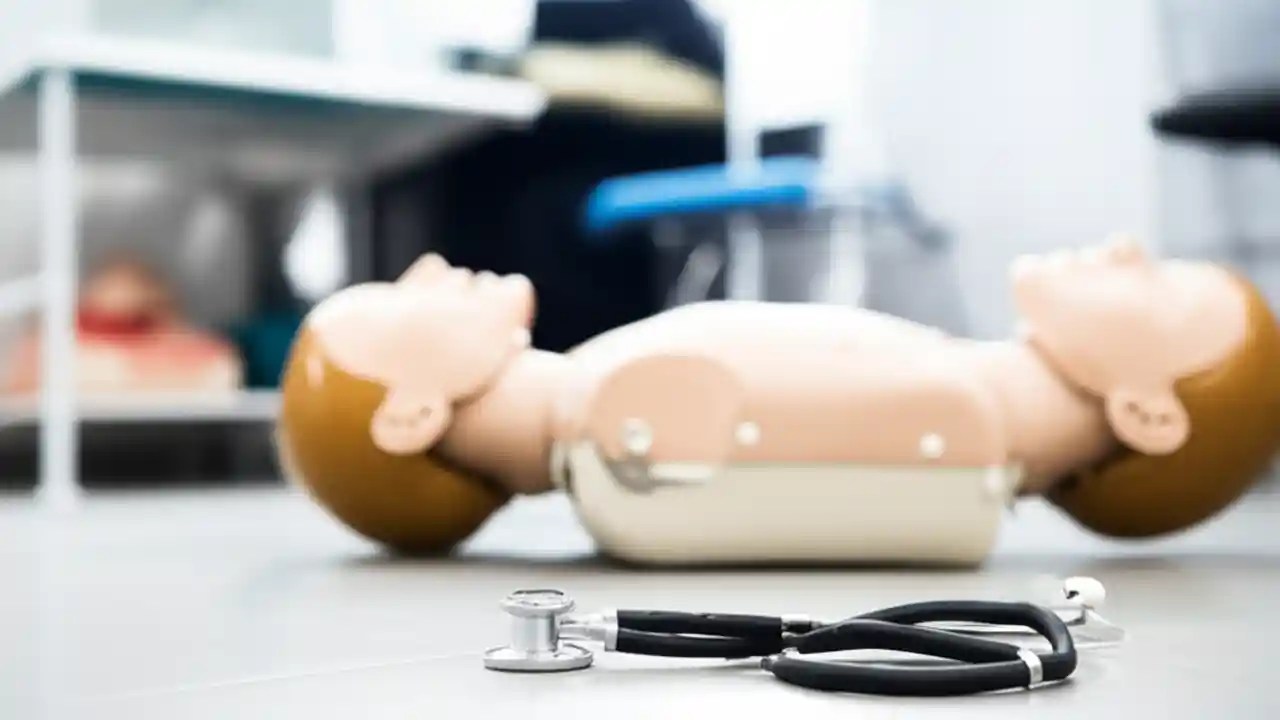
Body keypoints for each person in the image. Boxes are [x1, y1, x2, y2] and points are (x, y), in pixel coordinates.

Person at [277, 236, 1280, 563]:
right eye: (395, 303)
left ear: (1149, 415)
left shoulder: (618, 410)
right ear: (409, 416)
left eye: (1157, 286)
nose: (423, 270)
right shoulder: (615, 415)